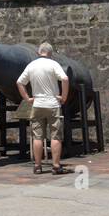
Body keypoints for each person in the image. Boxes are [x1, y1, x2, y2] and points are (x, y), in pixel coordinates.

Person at [16, 42, 71, 175]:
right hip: (52, 103)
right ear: (50, 53)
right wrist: (63, 97)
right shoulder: (53, 64)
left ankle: (37, 165)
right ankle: (56, 166)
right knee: (55, 136)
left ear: (38, 52)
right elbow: (65, 78)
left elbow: (19, 82)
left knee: (38, 137)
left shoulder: (31, 65)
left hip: (38, 104)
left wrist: (28, 99)